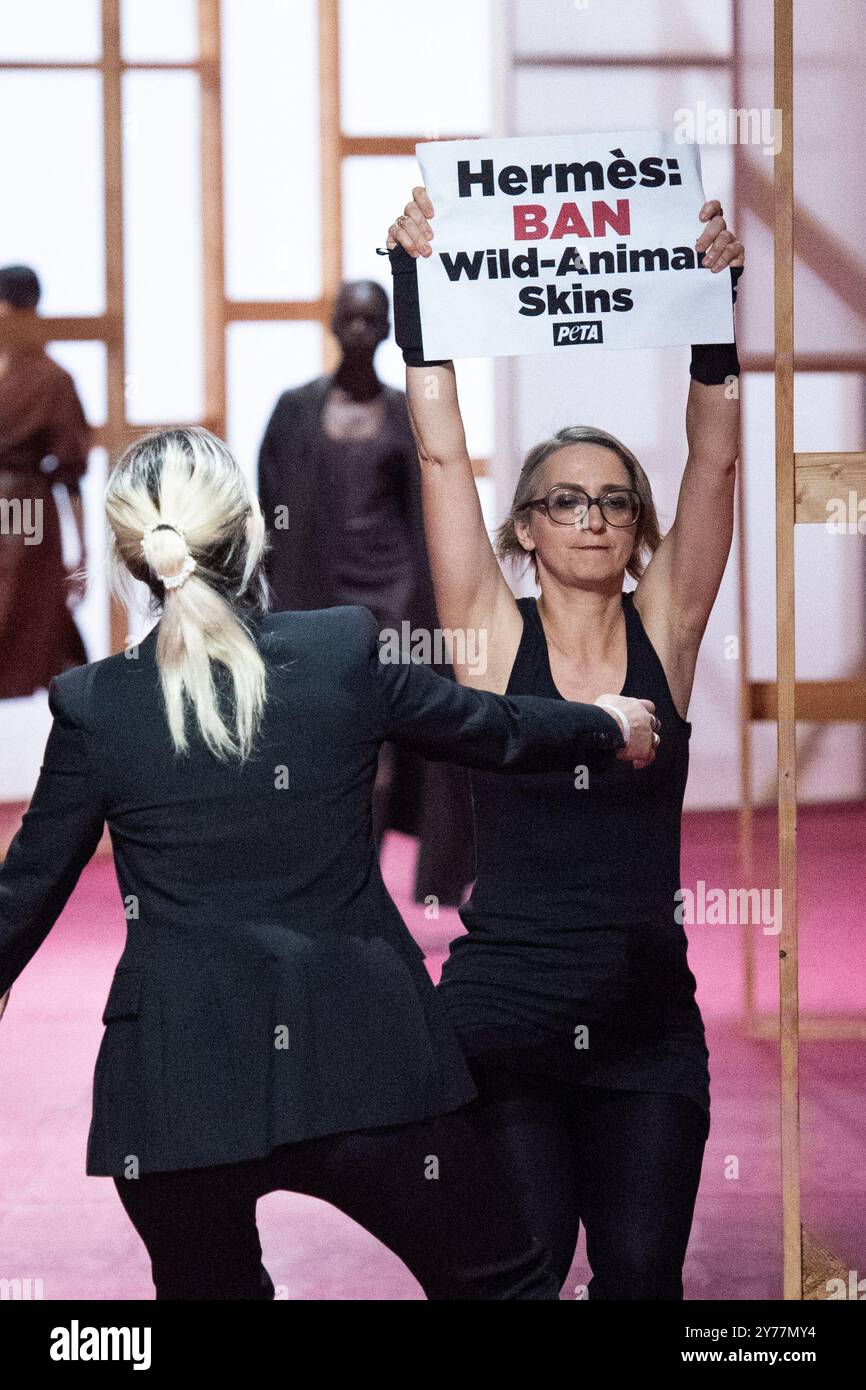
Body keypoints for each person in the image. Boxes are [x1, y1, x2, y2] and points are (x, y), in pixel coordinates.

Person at [0, 425, 659, 1301]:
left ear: (132, 556)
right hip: (369, 1067)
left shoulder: (94, 703)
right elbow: (492, 730)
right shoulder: (339, 651)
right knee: (507, 1293)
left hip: (174, 1100)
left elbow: (23, 893)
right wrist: (606, 725)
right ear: (251, 534)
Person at [384, 185, 745, 1298]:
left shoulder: (667, 634)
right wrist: (416, 288)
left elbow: (717, 464)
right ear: (525, 529)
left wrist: (709, 305)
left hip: (643, 1014)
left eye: (613, 501)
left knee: (638, 1272)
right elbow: (443, 460)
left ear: (638, 529)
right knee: (525, 1274)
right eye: (562, 500)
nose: (591, 515)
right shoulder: (490, 636)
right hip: (503, 1015)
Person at [257, 280, 474, 906]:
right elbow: (272, 508)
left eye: (371, 319)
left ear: (385, 330)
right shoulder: (294, 408)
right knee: (329, 741)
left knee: (393, 741)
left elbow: (432, 504)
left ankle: (374, 886)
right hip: (314, 594)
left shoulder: (407, 410)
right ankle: (334, 879)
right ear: (332, 324)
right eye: (348, 317)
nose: (359, 329)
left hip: (398, 593)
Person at [0, 264, 90, 699]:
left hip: (26, 508)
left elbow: (70, 468)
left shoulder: (51, 377)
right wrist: (83, 548)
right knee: (31, 616)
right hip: (28, 508)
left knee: (25, 611)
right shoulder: (53, 377)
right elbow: (71, 472)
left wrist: (82, 550)